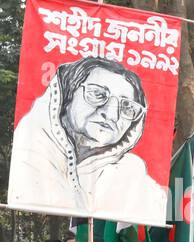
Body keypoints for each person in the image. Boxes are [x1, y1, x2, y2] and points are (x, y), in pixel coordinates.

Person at [9, 56, 167, 222]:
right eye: (97, 94)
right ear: (67, 94)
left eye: (128, 106)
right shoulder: (29, 149)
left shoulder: (134, 177)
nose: (111, 115)